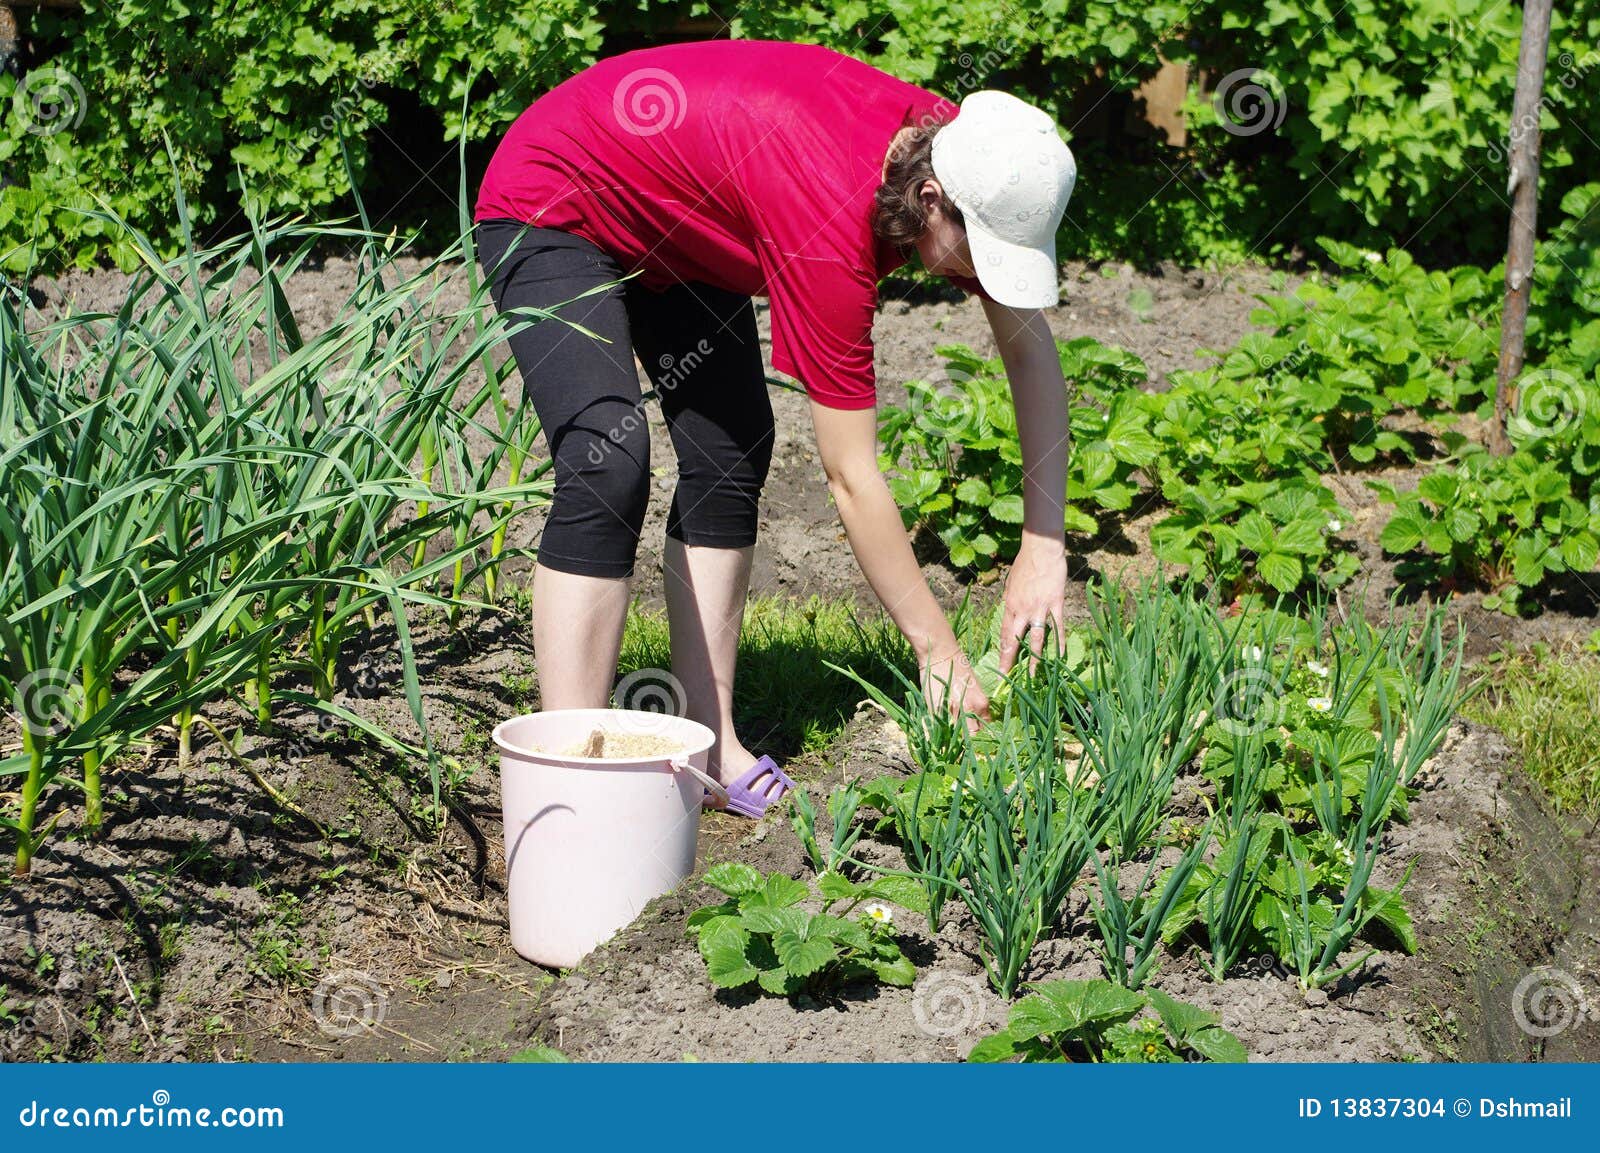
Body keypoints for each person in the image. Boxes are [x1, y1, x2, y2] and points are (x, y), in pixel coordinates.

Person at [475, 39, 1076, 817]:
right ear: (930, 198)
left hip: (676, 214)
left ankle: (708, 738)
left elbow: (1029, 352)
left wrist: (1044, 545)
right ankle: (569, 774)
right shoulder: (834, 218)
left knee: (732, 447)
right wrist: (938, 655)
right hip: (557, 194)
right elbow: (851, 476)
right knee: (607, 458)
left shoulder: (969, 156)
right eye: (984, 255)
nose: (986, 277)